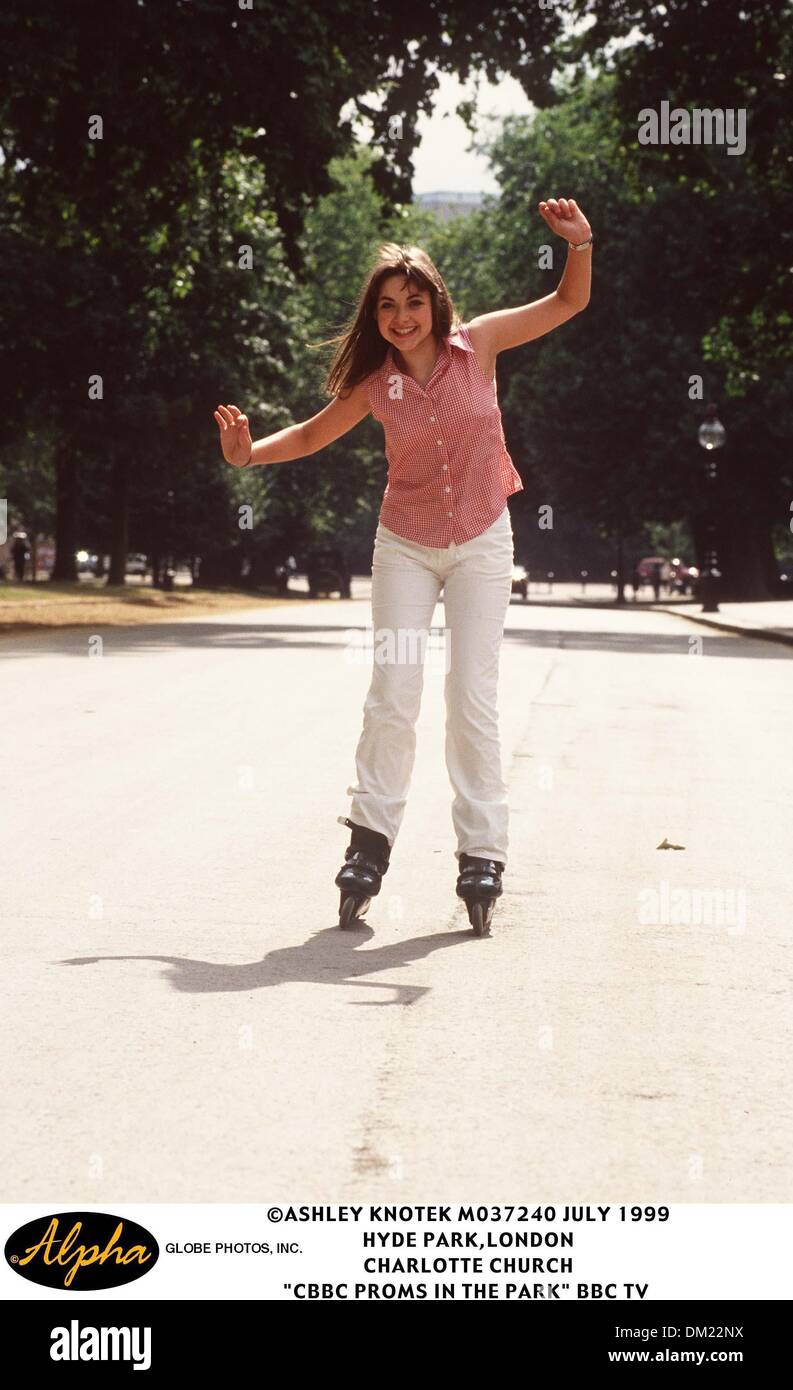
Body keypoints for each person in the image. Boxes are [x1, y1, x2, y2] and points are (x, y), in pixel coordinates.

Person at [213, 196, 592, 933]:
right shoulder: (374, 384)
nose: (400, 316)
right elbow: (311, 434)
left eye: (412, 302)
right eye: (387, 305)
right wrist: (249, 453)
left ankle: (480, 850)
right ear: (375, 315)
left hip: (483, 540)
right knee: (393, 688)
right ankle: (369, 842)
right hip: (406, 546)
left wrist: (579, 243)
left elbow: (567, 301)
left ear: (434, 301)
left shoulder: (478, 344)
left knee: (471, 696)